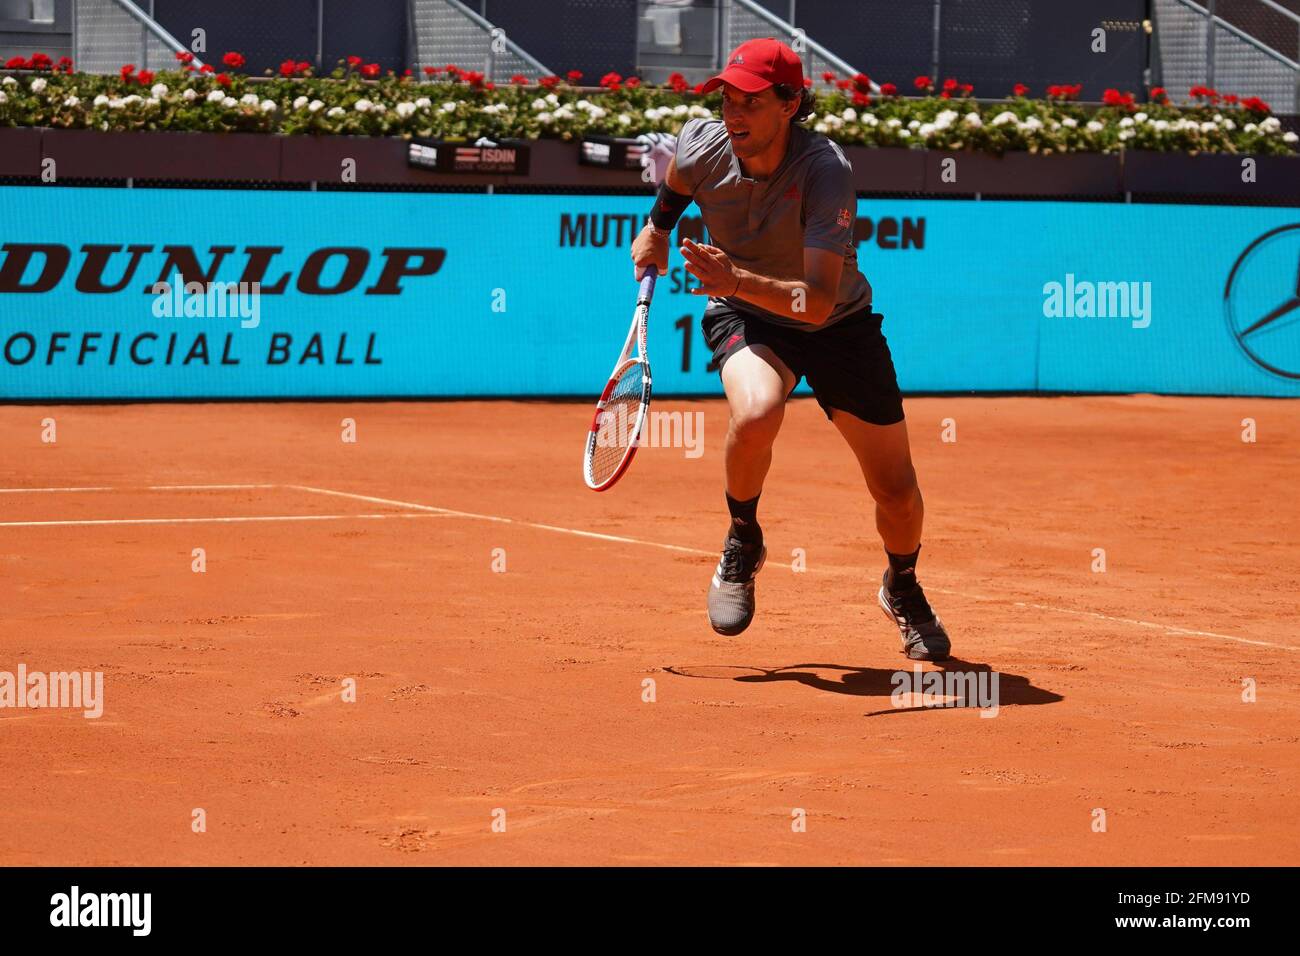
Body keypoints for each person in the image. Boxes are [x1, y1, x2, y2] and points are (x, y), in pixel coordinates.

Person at [629, 37, 950, 660]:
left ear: (790, 103)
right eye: (727, 99)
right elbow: (672, 191)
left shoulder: (826, 171)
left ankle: (901, 584)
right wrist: (655, 228)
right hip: (747, 314)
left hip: (836, 324)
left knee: (897, 492)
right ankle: (744, 537)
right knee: (754, 414)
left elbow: (820, 302)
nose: (734, 113)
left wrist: (734, 278)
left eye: (750, 100)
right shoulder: (703, 144)